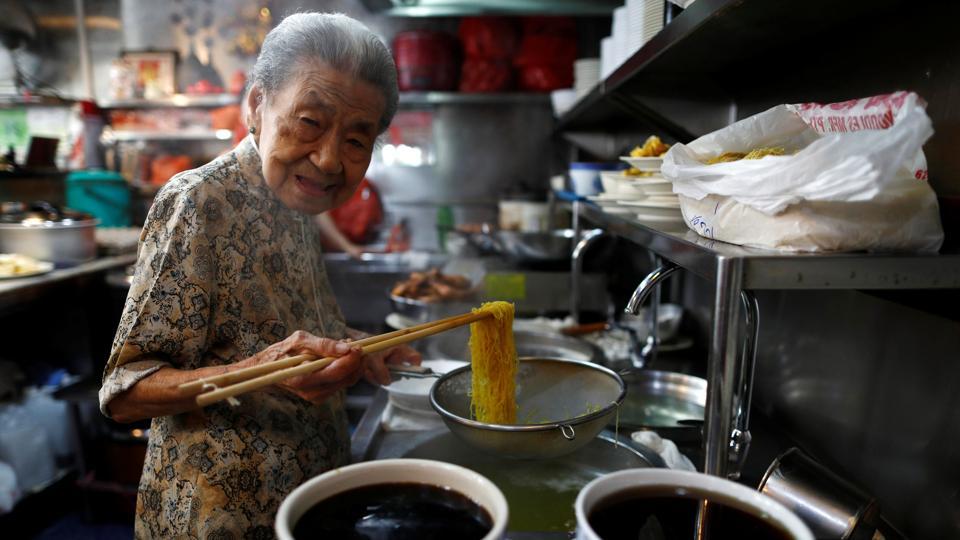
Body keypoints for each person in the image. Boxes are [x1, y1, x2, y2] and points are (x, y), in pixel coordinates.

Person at [99, 13, 420, 538]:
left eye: (356, 141)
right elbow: (124, 391)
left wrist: (358, 348)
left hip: (301, 503)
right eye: (310, 122)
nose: (328, 160)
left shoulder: (296, 201)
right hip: (217, 519)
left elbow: (277, 330)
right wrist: (259, 368)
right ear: (257, 105)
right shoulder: (199, 200)